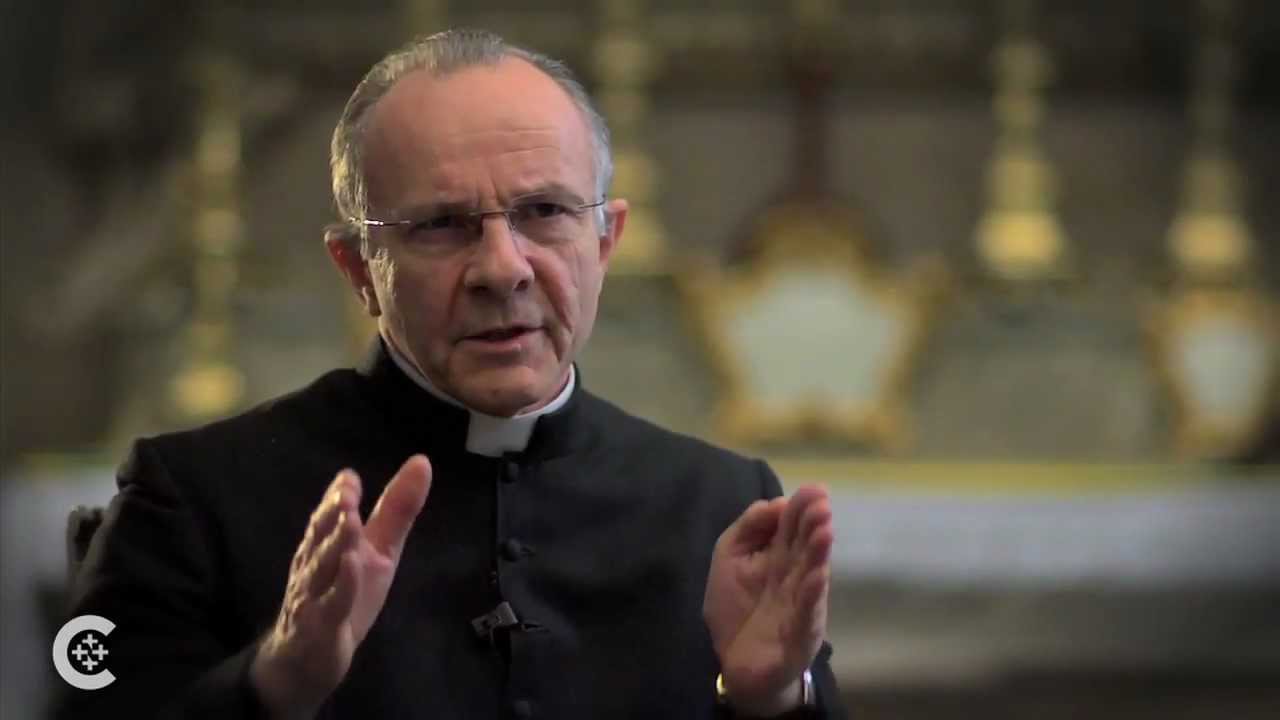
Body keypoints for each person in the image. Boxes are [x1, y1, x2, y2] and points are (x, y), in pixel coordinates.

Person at [56, 29, 844, 719]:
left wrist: (772, 701)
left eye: (545, 212)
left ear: (606, 242)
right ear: (358, 268)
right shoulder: (191, 498)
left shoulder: (725, 506)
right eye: (440, 225)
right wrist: (274, 683)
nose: (503, 269)